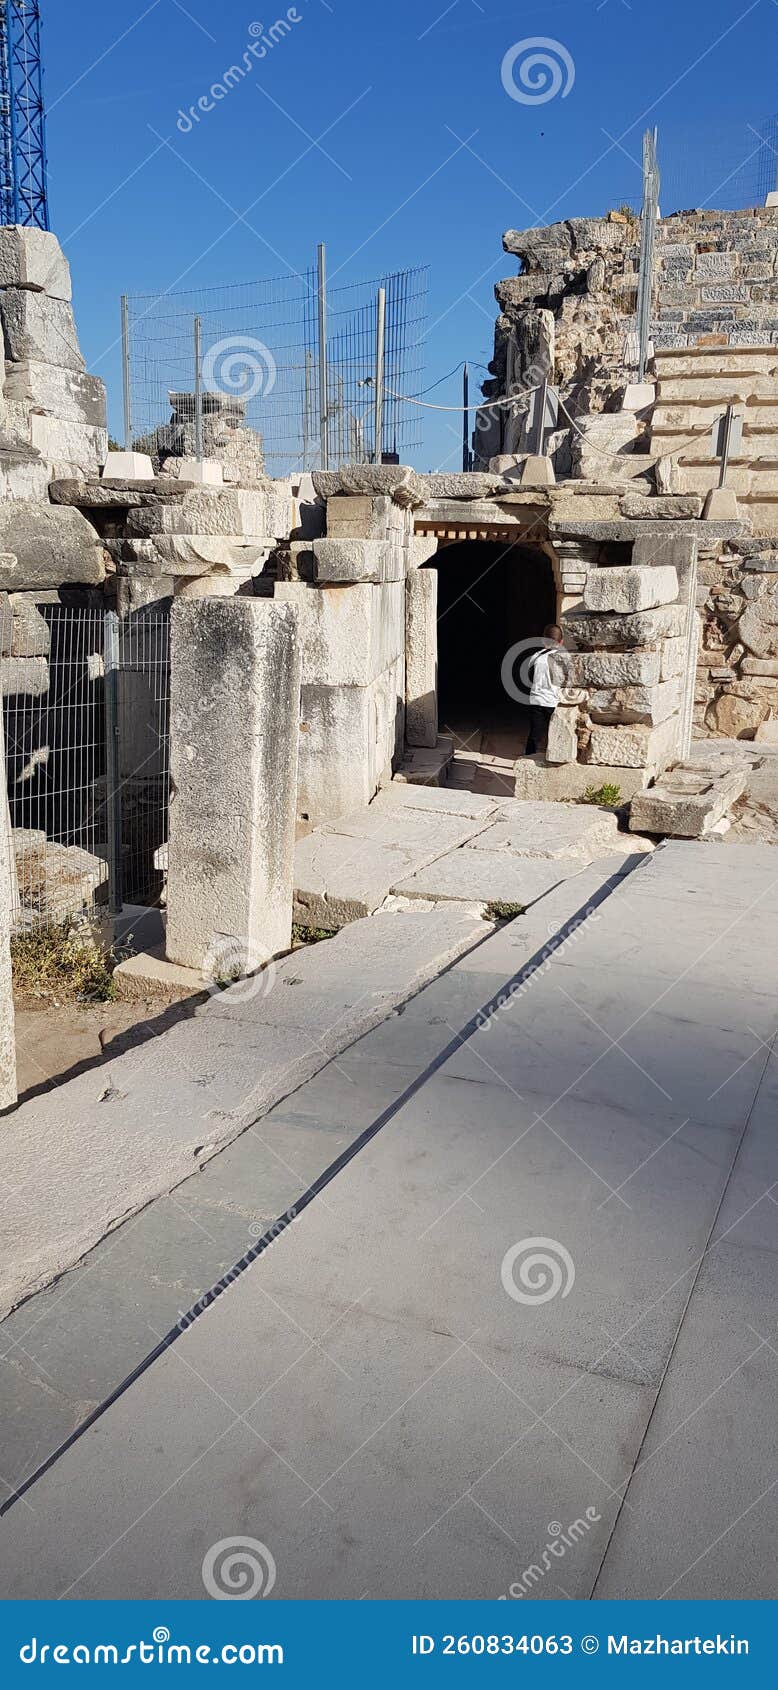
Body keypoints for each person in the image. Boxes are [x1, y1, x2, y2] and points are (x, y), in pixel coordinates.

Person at [525, 624, 567, 756]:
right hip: (554, 702)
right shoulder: (563, 658)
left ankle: (529, 758)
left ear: (544, 641)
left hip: (536, 701)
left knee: (534, 734)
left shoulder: (536, 656)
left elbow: (529, 677)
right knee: (556, 734)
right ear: (561, 641)